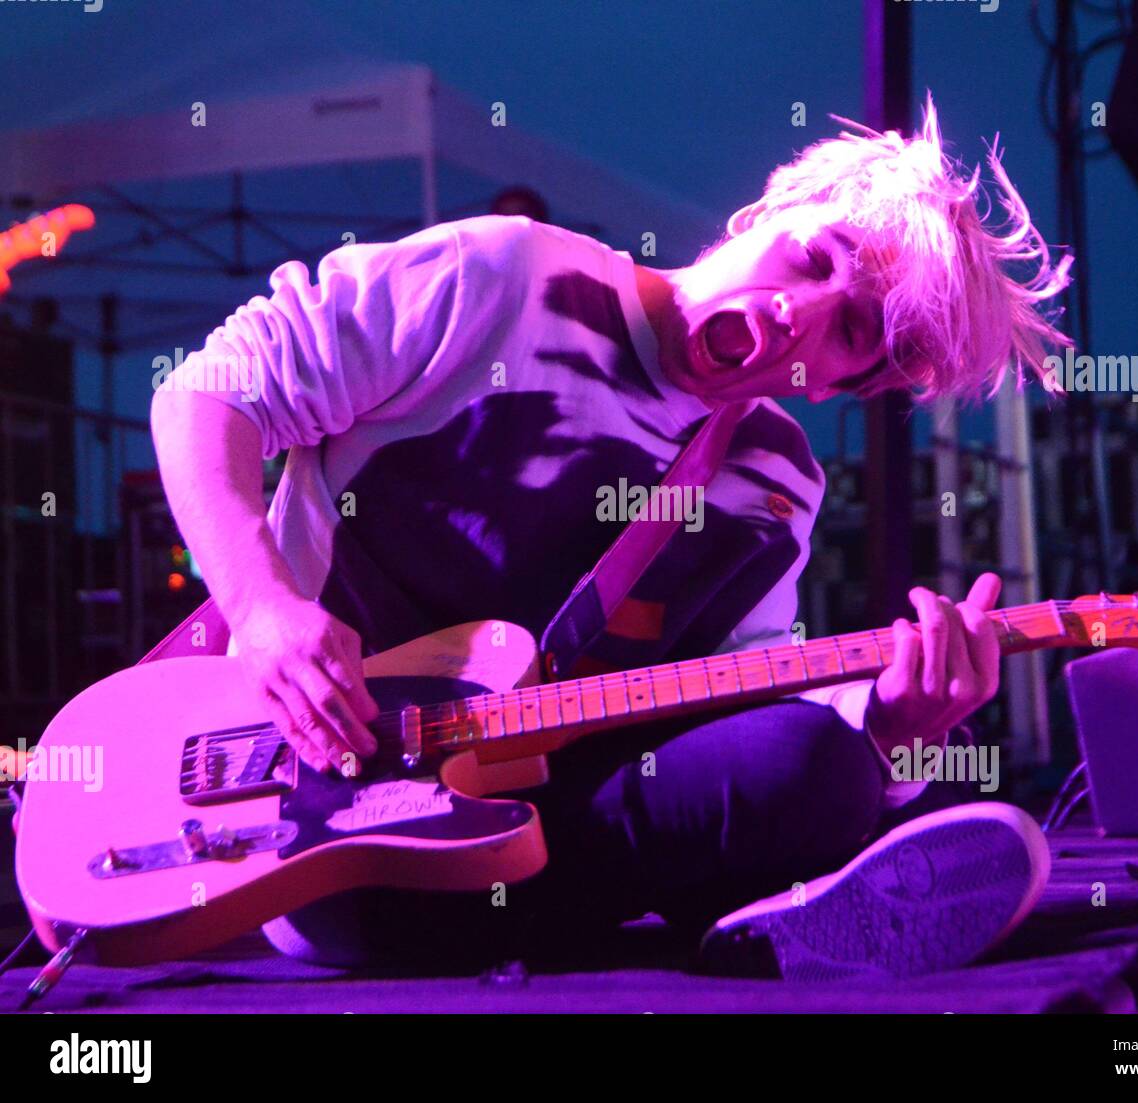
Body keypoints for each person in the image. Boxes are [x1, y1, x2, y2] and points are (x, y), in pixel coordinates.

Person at [150, 99, 1071, 978]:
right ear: (765, 212)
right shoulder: (503, 276)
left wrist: (899, 736)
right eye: (814, 258)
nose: (801, 313)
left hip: (540, 818)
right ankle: (749, 918)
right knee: (804, 801)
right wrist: (263, 607)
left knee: (817, 765)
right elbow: (208, 391)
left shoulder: (772, 480)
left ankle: (761, 911)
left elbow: (734, 721)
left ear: (841, 384)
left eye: (852, 330)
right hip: (329, 817)